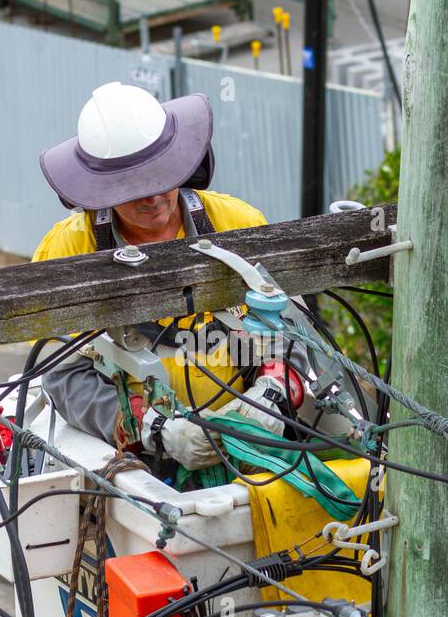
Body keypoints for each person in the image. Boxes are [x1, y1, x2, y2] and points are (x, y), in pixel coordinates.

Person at [33, 81, 305, 470]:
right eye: (134, 187)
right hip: (139, 467)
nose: (154, 197)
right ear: (100, 189)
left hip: (251, 445)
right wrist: (151, 428)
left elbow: (293, 329)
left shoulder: (238, 225)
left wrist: (277, 388)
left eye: (163, 177)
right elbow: (65, 378)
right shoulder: (68, 253)